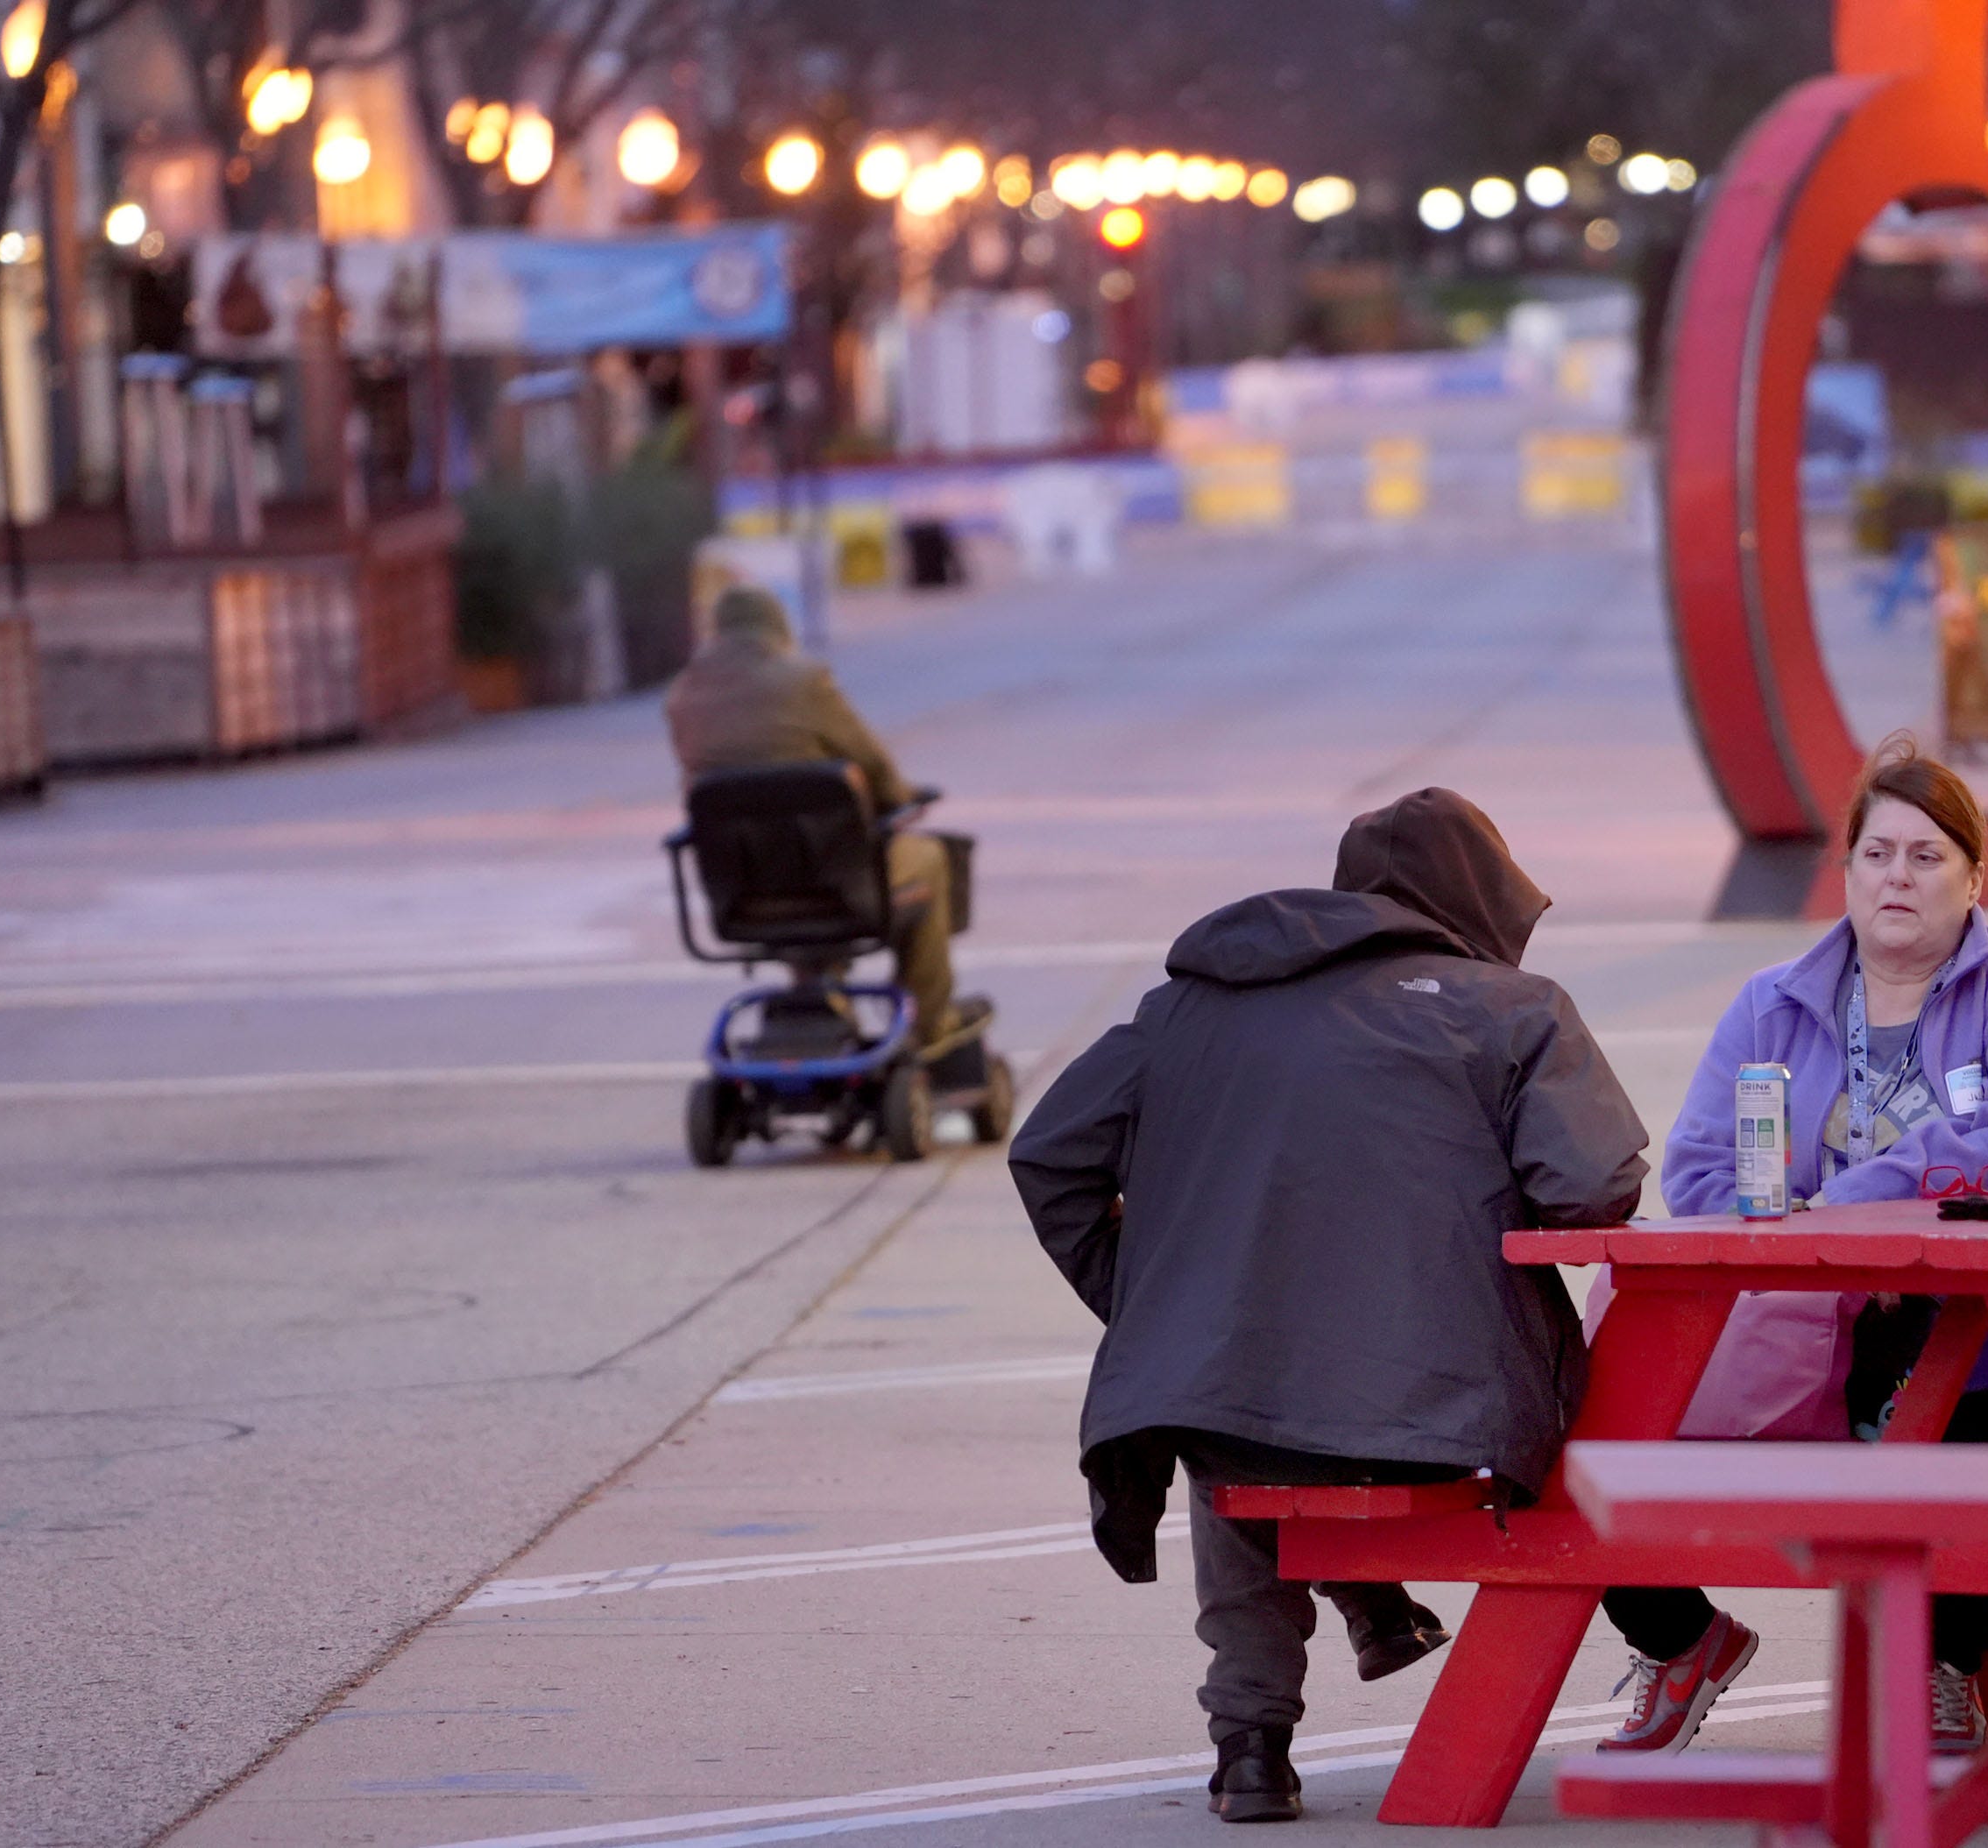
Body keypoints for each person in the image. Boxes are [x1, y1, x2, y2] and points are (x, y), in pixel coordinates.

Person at [1010, 788, 1648, 1824]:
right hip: (1452, 1417)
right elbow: (1590, 1189)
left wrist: (1149, 1304)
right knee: (1262, 1395)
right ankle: (1372, 1607)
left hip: (1240, 1410)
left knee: (1234, 1412)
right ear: (1483, 901)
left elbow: (1049, 1155)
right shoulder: (1511, 1010)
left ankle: (1251, 1748)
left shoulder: (1185, 1009)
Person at [1628, 738, 1988, 1754]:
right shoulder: (1769, 1001)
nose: (1897, 877)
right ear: (1843, 871)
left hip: (1965, 1312)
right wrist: (1818, 1251)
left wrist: (1845, 1206)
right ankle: (1677, 1635)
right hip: (1796, 1316)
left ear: (1973, 878)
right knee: (1598, 1406)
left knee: (1965, 1385)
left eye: (1926, 857)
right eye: (1877, 854)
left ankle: (1941, 1661)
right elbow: (1702, 1171)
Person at [663, 586, 968, 1051]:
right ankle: (929, 1026)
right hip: (835, 882)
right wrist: (900, 799)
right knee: (926, 857)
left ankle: (820, 986)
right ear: (777, 628)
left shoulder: (681, 698)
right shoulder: (804, 682)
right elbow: (873, 767)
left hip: (742, 896)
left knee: (798, 865)